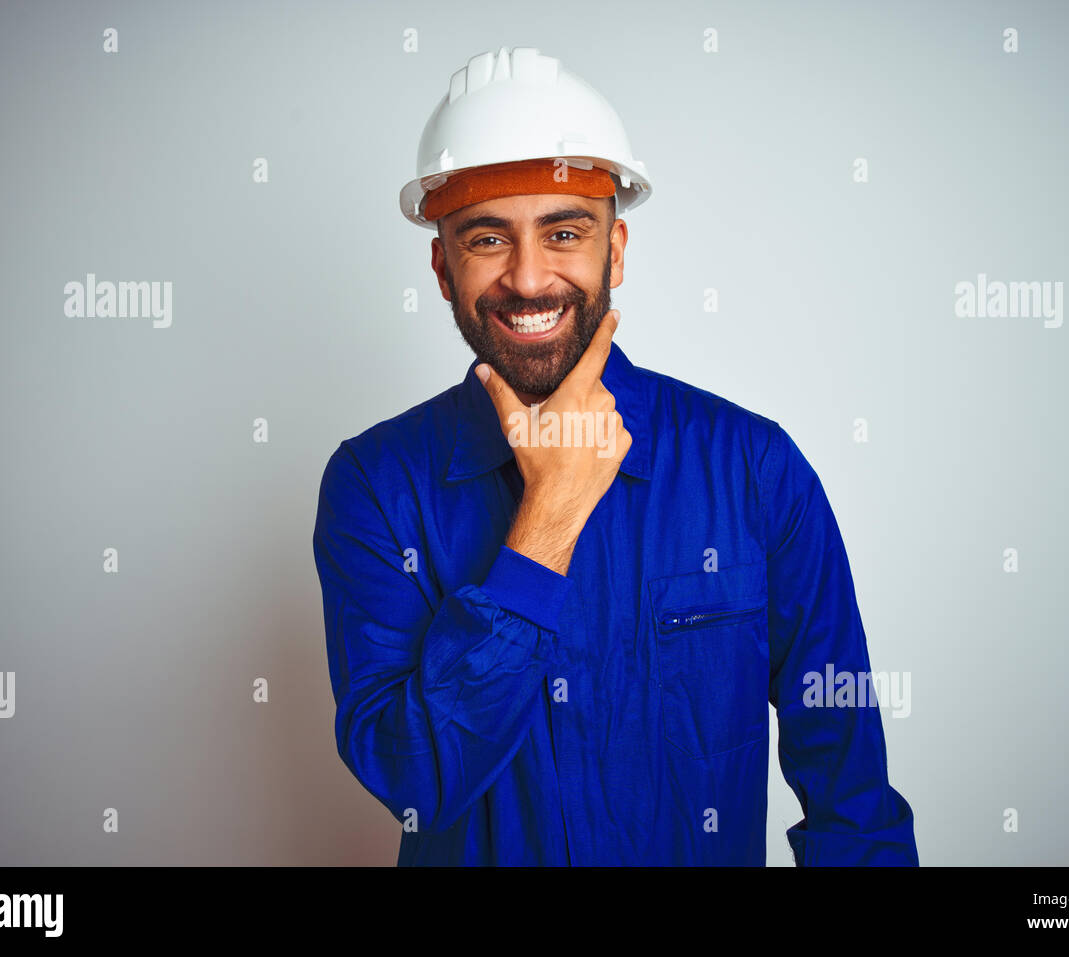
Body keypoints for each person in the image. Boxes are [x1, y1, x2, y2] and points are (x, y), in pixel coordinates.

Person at [313, 46, 919, 865]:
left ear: (617, 251)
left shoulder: (752, 470)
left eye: (564, 231)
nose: (528, 279)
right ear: (442, 266)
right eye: (487, 237)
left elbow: (853, 801)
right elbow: (414, 777)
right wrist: (546, 520)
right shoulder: (374, 487)